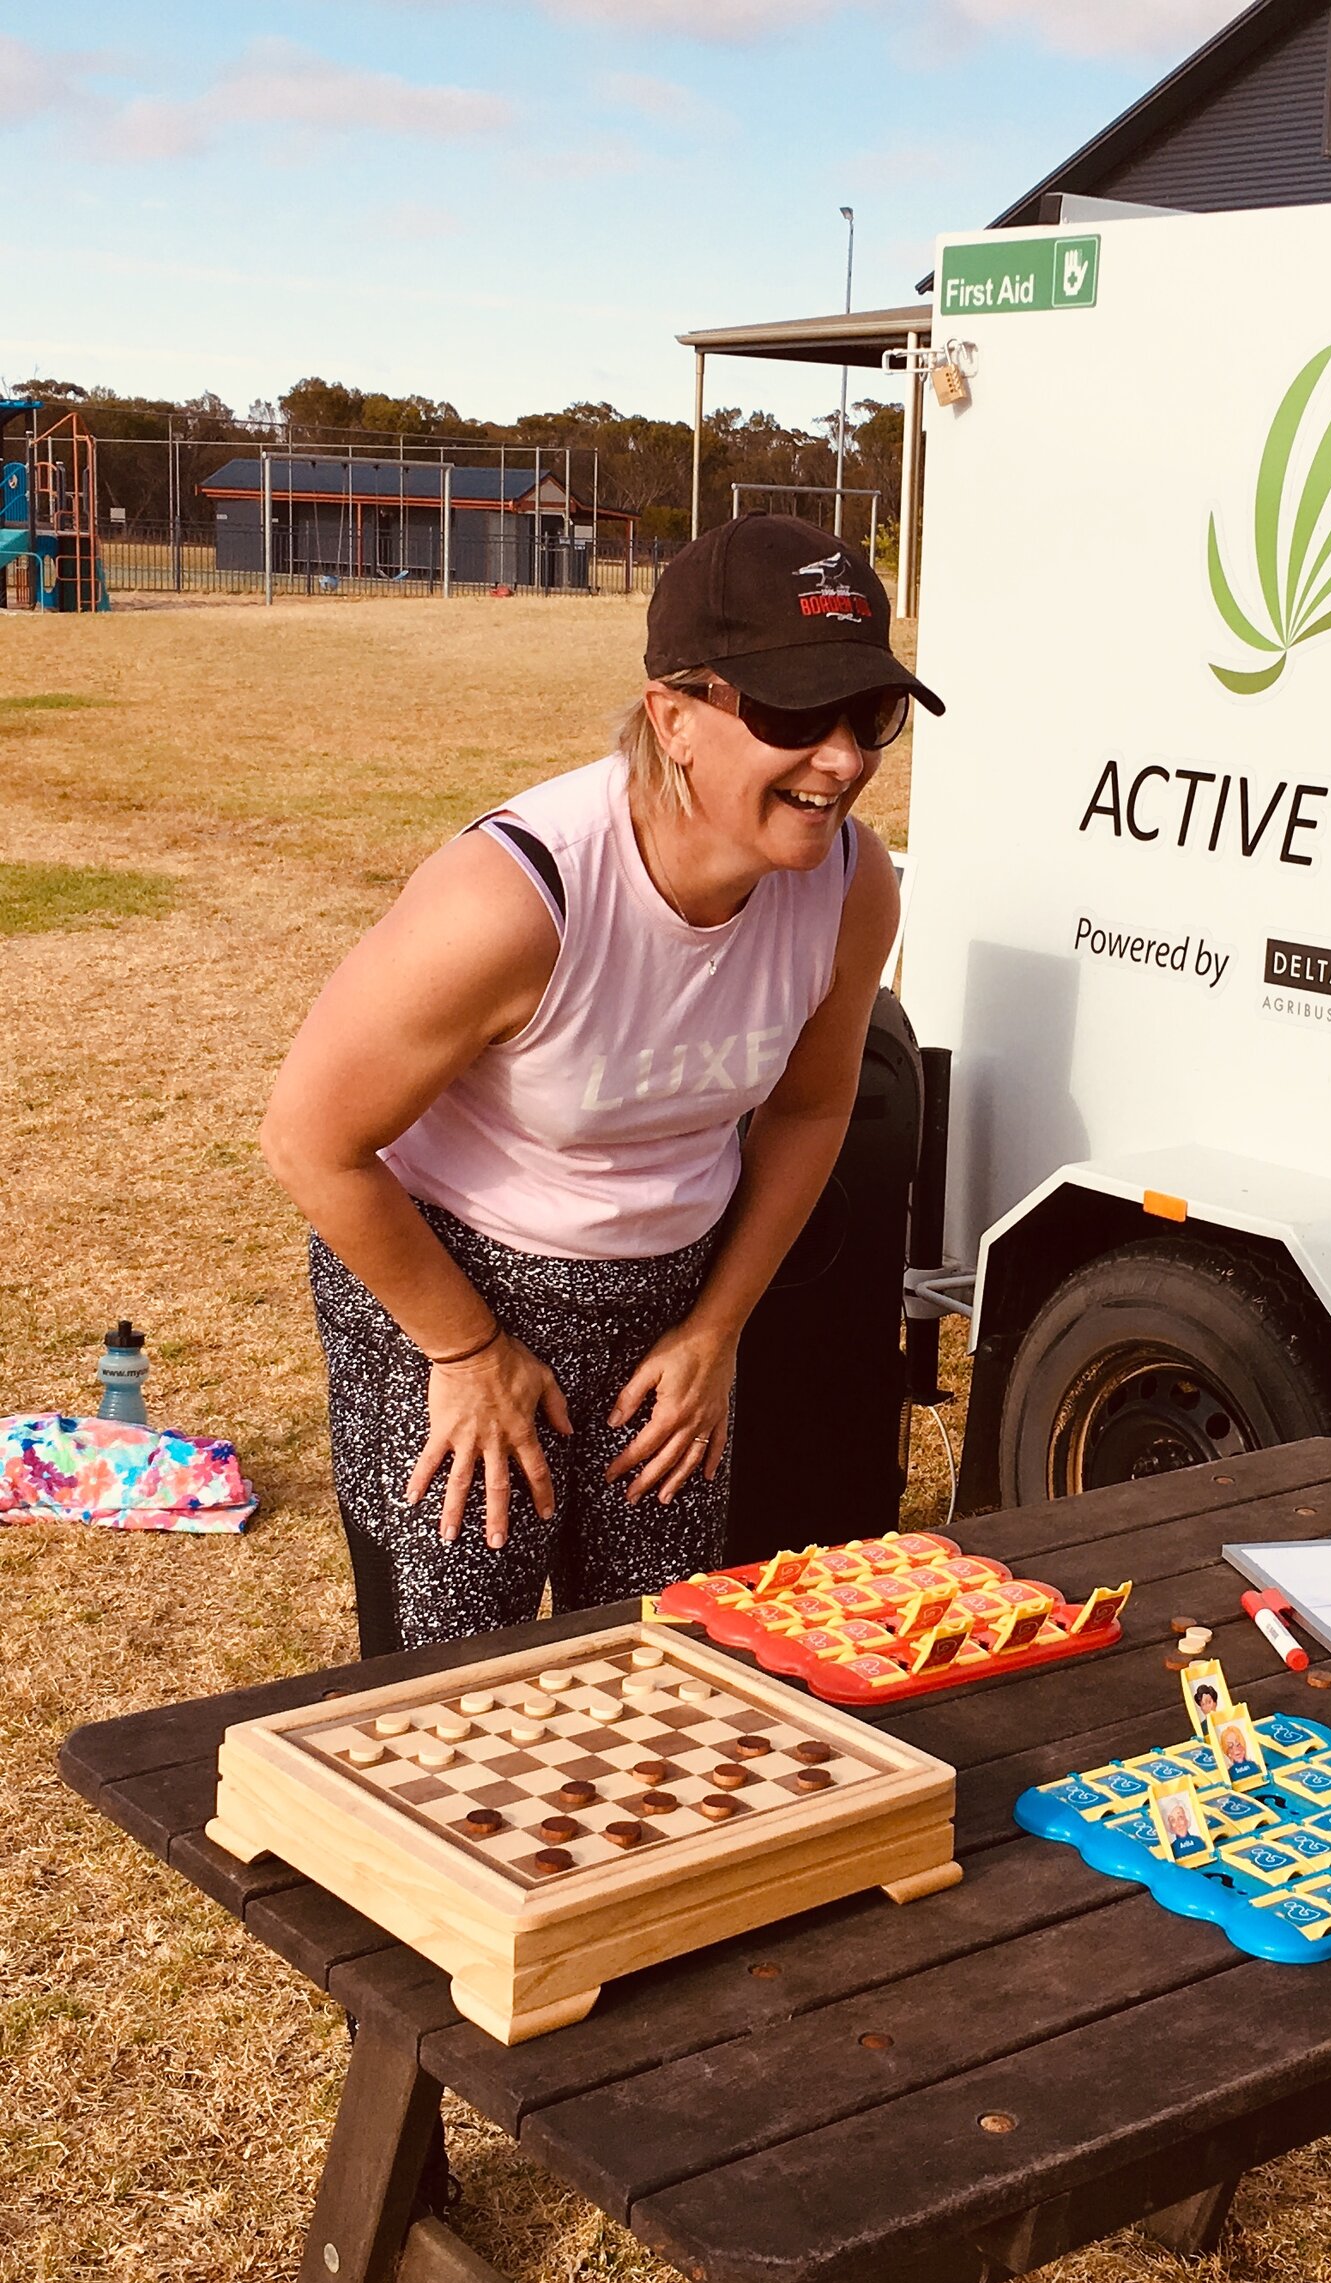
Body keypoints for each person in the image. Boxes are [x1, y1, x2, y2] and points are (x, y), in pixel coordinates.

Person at [263, 517, 933, 1658]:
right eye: (793, 714)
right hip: (453, 1284)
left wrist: (717, 1328)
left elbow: (812, 1106)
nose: (842, 761)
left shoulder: (851, 884)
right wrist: (464, 1350)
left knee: (655, 1656)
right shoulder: (517, 897)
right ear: (674, 716)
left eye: (869, 714)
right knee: (454, 1681)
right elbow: (310, 1140)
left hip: (668, 1302)